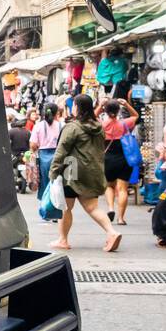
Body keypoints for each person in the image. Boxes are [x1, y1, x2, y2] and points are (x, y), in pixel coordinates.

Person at [48, 93, 123, 252]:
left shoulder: (72, 127)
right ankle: (112, 232)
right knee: (92, 207)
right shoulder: (98, 128)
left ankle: (63, 240)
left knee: (66, 208)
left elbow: (61, 151)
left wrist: (53, 172)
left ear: (77, 107)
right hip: (93, 171)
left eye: (73, 105)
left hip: (72, 172)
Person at [99, 97, 139, 225]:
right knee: (122, 189)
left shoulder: (102, 124)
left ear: (106, 110)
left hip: (108, 159)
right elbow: (136, 115)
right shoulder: (125, 123)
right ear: (118, 111)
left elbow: (92, 117)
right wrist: (127, 104)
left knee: (109, 186)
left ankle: (110, 208)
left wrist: (100, 105)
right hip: (124, 158)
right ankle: (121, 218)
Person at [30, 103, 63, 201]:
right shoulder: (62, 125)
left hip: (43, 157)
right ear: (57, 113)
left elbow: (33, 145)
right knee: (58, 182)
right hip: (59, 155)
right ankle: (57, 205)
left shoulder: (38, 126)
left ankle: (45, 204)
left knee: (44, 181)